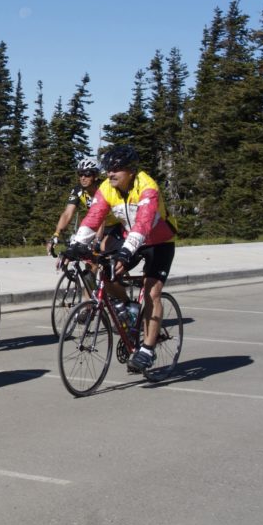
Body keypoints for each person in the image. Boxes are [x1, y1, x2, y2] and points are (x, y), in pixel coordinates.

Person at [65, 144, 176, 372]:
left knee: (152, 291)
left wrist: (127, 251)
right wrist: (76, 245)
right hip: (130, 238)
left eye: (117, 169)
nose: (110, 173)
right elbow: (93, 217)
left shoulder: (147, 186)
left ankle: (147, 349)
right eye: (108, 169)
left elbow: (144, 222)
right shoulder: (107, 188)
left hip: (158, 241)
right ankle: (127, 306)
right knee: (106, 273)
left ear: (131, 171)